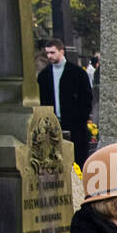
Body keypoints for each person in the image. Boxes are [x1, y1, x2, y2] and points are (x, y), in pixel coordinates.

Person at [37, 37, 93, 167]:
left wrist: (82, 117)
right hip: (53, 124)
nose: (49, 56)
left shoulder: (77, 73)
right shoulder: (44, 75)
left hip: (75, 125)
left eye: (53, 52)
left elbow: (86, 97)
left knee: (77, 160)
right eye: (47, 53)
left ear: (62, 51)